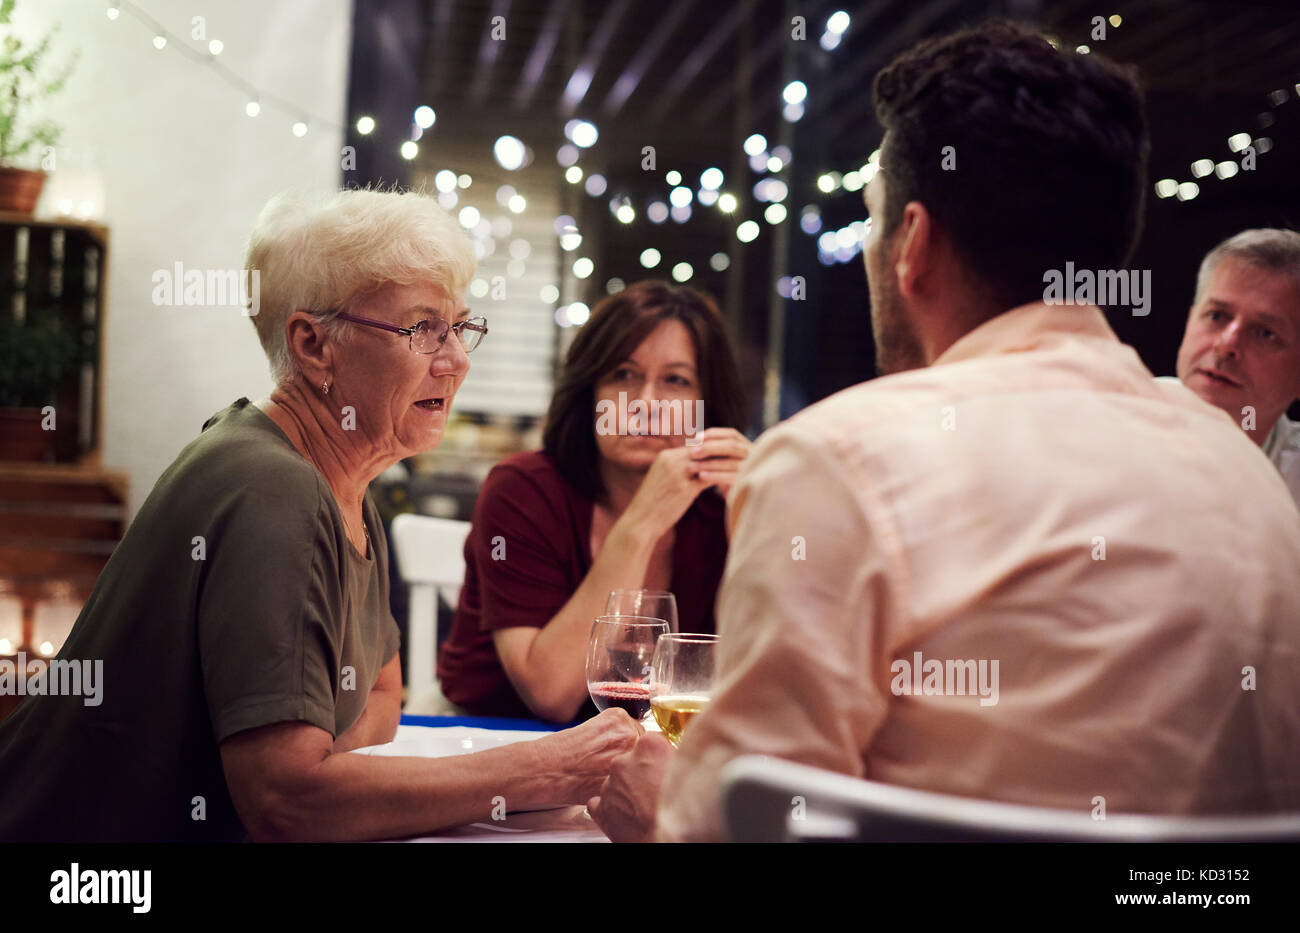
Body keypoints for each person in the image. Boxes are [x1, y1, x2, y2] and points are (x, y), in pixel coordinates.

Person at [588, 20, 1300, 843]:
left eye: (873, 219)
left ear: (912, 243)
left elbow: (732, 831)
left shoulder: (835, 461)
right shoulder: (1252, 479)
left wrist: (659, 818)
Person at [0, 188, 639, 842]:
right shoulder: (274, 489)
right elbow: (287, 802)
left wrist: (321, 757)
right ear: (313, 344)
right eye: (422, 328)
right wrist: (539, 768)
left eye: (459, 326)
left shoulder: (348, 483)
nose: (456, 359)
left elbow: (384, 702)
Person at [437, 281, 750, 722]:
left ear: (707, 406)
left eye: (676, 381)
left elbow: (771, 684)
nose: (644, 404)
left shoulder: (720, 505)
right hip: (499, 741)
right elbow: (550, 694)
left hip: (663, 752)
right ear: (590, 395)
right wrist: (642, 523)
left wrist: (761, 519)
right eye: (623, 375)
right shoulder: (522, 490)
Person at [1172, 229, 1300, 505]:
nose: (1226, 345)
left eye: (1265, 333)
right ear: (1190, 321)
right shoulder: (1105, 420)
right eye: (1217, 316)